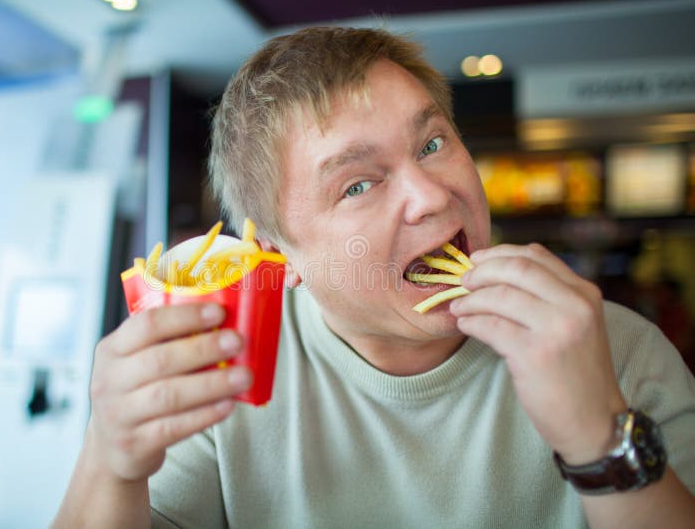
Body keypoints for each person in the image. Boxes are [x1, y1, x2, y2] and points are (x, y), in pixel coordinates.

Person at [53, 27, 695, 528]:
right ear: (281, 257)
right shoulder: (224, 375)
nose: (430, 196)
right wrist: (109, 461)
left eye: (433, 144)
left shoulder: (619, 350)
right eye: (358, 183)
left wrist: (598, 436)